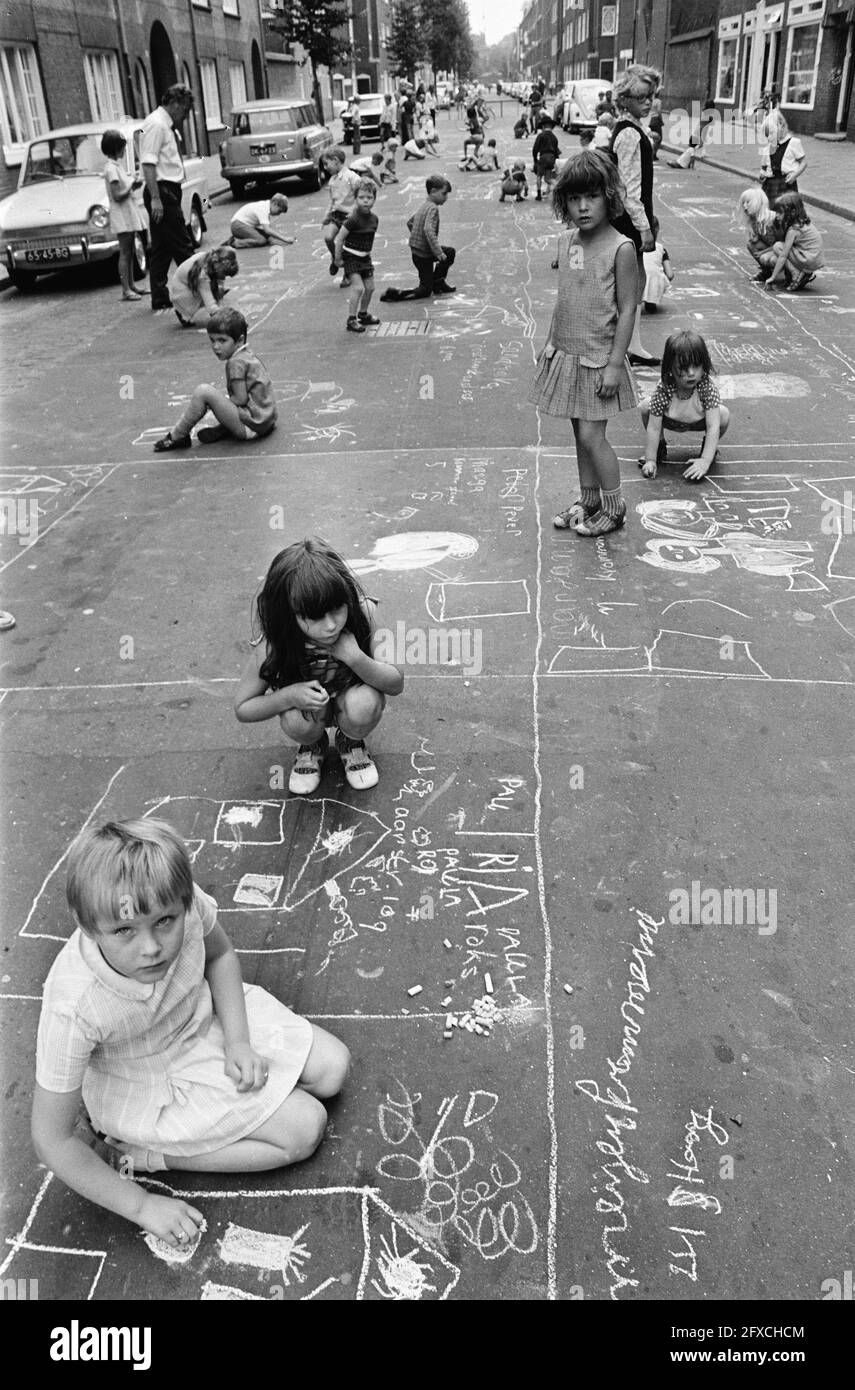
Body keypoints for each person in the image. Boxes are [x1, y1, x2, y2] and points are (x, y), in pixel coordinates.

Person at [31, 817, 350, 1245]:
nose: (150, 947)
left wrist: (238, 1040)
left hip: (203, 1019)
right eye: (124, 930)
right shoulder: (74, 1004)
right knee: (304, 1129)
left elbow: (219, 956)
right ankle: (149, 1156)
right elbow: (52, 1139)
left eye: (165, 921)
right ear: (87, 926)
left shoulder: (172, 898)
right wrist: (142, 1205)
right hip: (149, 1078)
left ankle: (215, 1107)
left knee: (333, 1069)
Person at [234, 538, 404, 793]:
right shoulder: (276, 642)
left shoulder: (364, 613)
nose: (331, 625)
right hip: (309, 710)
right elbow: (243, 708)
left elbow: (396, 683)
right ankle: (312, 746)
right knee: (296, 719)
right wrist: (288, 696)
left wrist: (355, 657)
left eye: (337, 609)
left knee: (365, 703)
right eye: (314, 616)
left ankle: (351, 741)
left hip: (352, 698)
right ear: (288, 613)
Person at [529, 150, 638, 537]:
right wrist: (549, 343)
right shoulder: (568, 243)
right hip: (568, 353)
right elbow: (567, 296)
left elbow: (627, 310)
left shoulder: (621, 248)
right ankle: (590, 499)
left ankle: (614, 506)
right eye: (574, 199)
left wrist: (614, 365)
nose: (582, 207)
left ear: (608, 196)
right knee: (579, 434)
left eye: (591, 197)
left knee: (594, 436)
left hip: (598, 359)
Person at [153, 306, 277, 451]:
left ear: (239, 340)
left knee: (203, 392)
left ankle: (178, 436)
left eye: (222, 341)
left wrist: (216, 406)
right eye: (212, 340)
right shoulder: (246, 355)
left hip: (252, 425)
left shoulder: (236, 363)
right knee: (216, 399)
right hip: (266, 421)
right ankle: (224, 428)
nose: (216, 346)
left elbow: (241, 399)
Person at [609, 64, 662, 366]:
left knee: (636, 283)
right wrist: (643, 227)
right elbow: (628, 188)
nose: (647, 102)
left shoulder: (631, 129)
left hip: (629, 219)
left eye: (650, 96)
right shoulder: (629, 134)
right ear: (624, 99)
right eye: (640, 96)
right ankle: (626, 346)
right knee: (630, 285)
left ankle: (634, 345)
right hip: (627, 221)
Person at [637, 329, 729, 481]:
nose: (691, 373)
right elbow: (653, 426)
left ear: (704, 364)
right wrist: (650, 460)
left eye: (696, 366)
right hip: (671, 420)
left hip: (699, 421)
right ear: (671, 368)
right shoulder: (665, 387)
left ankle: (708, 450)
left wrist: (705, 461)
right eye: (684, 368)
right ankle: (659, 447)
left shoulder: (706, 387)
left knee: (723, 415)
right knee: (646, 407)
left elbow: (713, 426)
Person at [140, 84, 196, 312]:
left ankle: (159, 296)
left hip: (167, 189)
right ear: (175, 104)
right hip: (161, 190)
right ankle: (201, 288)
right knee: (182, 243)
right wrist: (155, 198)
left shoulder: (165, 125)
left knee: (162, 248)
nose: (184, 116)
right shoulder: (156, 124)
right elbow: (148, 162)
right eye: (184, 110)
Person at [380, 175, 456, 301]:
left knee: (450, 252)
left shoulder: (425, 205)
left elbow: (410, 222)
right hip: (422, 255)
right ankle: (395, 294)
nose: (446, 197)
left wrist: (417, 237)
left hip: (419, 251)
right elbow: (428, 230)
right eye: (444, 194)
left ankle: (438, 283)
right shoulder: (432, 208)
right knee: (425, 290)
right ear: (433, 191)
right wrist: (438, 252)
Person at [100, 129, 147, 302]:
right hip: (121, 213)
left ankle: (132, 285)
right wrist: (132, 185)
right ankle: (126, 290)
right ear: (115, 148)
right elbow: (117, 195)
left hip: (127, 211)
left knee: (130, 250)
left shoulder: (117, 166)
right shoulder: (111, 169)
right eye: (121, 147)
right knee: (125, 253)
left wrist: (132, 184)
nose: (123, 151)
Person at [333, 179, 380, 333]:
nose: (365, 201)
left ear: (374, 199)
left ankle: (363, 314)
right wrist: (338, 259)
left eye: (369, 197)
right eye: (361, 198)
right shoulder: (353, 219)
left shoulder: (374, 219)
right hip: (351, 257)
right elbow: (339, 238)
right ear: (356, 199)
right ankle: (351, 319)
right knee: (358, 288)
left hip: (365, 258)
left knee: (370, 287)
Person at [765, 192, 824, 292]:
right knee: (780, 249)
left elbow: (783, 255)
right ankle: (800, 273)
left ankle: (795, 274)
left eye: (780, 213)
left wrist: (773, 277)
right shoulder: (802, 222)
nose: (777, 216)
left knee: (778, 247)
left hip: (808, 259)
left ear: (791, 212)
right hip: (814, 258)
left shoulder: (794, 229)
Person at [320, 147, 362, 287]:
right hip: (336, 214)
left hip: (349, 216)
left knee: (346, 245)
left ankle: (347, 274)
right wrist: (327, 215)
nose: (325, 168)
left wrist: (356, 211)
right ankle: (335, 258)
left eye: (327, 164)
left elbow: (361, 196)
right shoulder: (332, 180)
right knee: (328, 238)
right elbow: (332, 200)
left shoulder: (352, 178)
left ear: (336, 161)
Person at [167, 245, 238, 327]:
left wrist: (220, 291)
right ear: (217, 264)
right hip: (181, 293)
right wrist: (230, 320)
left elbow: (220, 281)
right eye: (224, 272)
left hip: (187, 283)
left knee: (214, 291)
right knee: (209, 297)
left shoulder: (210, 258)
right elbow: (210, 305)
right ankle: (183, 313)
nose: (224, 276)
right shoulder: (202, 276)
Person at [759, 110, 806, 205]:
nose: (769, 138)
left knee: (786, 212)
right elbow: (764, 166)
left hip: (786, 184)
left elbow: (804, 162)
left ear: (781, 127)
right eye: (766, 135)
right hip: (770, 185)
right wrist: (762, 174)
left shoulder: (793, 143)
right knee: (769, 212)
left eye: (771, 133)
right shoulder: (768, 147)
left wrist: (795, 175)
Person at [735, 187, 780, 281]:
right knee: (751, 244)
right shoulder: (754, 221)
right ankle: (766, 272)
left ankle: (791, 274)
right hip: (773, 248)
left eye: (748, 203)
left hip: (784, 249)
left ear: (757, 203)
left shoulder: (772, 219)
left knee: (769, 259)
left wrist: (763, 252)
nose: (745, 206)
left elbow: (782, 243)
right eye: (743, 203)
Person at [228, 194, 294, 249]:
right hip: (238, 225)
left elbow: (265, 229)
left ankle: (238, 238)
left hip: (244, 224)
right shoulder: (263, 209)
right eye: (279, 211)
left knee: (267, 238)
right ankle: (235, 243)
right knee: (261, 240)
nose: (278, 214)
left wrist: (270, 238)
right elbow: (267, 230)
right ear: (275, 204)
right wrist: (285, 239)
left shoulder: (266, 206)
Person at [642, 218, 673, 311]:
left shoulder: (636, 246)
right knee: (655, 276)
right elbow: (670, 275)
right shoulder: (661, 248)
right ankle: (651, 300)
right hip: (654, 285)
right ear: (657, 230)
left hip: (637, 284)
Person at [532, 115, 560, 200]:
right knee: (548, 178)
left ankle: (539, 194)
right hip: (551, 158)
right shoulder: (554, 137)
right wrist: (555, 161)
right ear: (551, 126)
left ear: (543, 126)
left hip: (543, 157)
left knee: (539, 176)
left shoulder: (541, 136)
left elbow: (535, 149)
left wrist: (535, 160)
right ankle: (558, 187)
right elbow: (556, 151)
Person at [647, 95, 664, 160]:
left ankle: (651, 153)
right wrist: (661, 119)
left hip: (651, 120)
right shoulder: (659, 101)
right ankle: (653, 154)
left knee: (653, 138)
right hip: (657, 120)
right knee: (659, 138)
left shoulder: (653, 101)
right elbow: (659, 111)